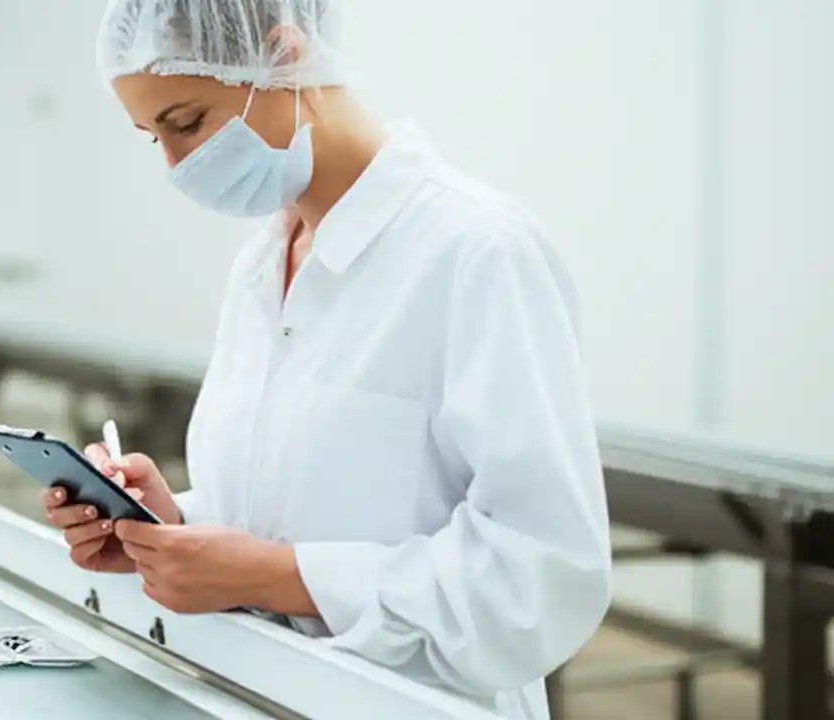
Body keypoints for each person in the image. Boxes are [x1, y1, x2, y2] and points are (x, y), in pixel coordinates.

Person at [43, 2, 611, 718]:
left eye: (187, 123)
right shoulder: (262, 264)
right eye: (151, 136)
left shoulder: (477, 252)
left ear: (285, 56)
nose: (175, 167)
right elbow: (296, 511)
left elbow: (543, 577)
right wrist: (168, 532)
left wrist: (279, 577)